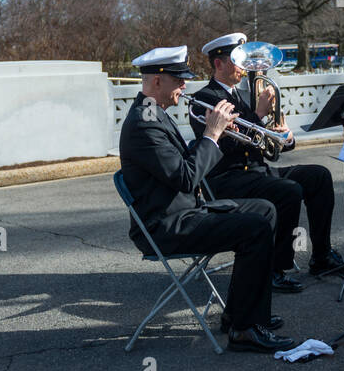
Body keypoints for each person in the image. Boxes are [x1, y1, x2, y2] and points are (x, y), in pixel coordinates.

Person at [118, 45, 295, 353]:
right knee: (254, 229)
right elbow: (187, 177)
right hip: (168, 225)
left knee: (265, 209)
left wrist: (220, 137)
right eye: (179, 79)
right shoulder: (144, 124)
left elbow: (183, 166)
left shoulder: (154, 113)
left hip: (184, 212)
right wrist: (211, 136)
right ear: (157, 81)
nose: (184, 86)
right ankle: (244, 329)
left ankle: (241, 314)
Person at [189, 33, 344, 284]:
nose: (244, 67)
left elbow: (268, 150)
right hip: (227, 178)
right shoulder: (205, 99)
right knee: (289, 191)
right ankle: (275, 267)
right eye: (237, 60)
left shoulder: (242, 96)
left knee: (319, 176)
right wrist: (259, 115)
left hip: (257, 172)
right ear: (218, 63)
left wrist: (285, 137)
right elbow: (228, 146)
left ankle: (321, 256)